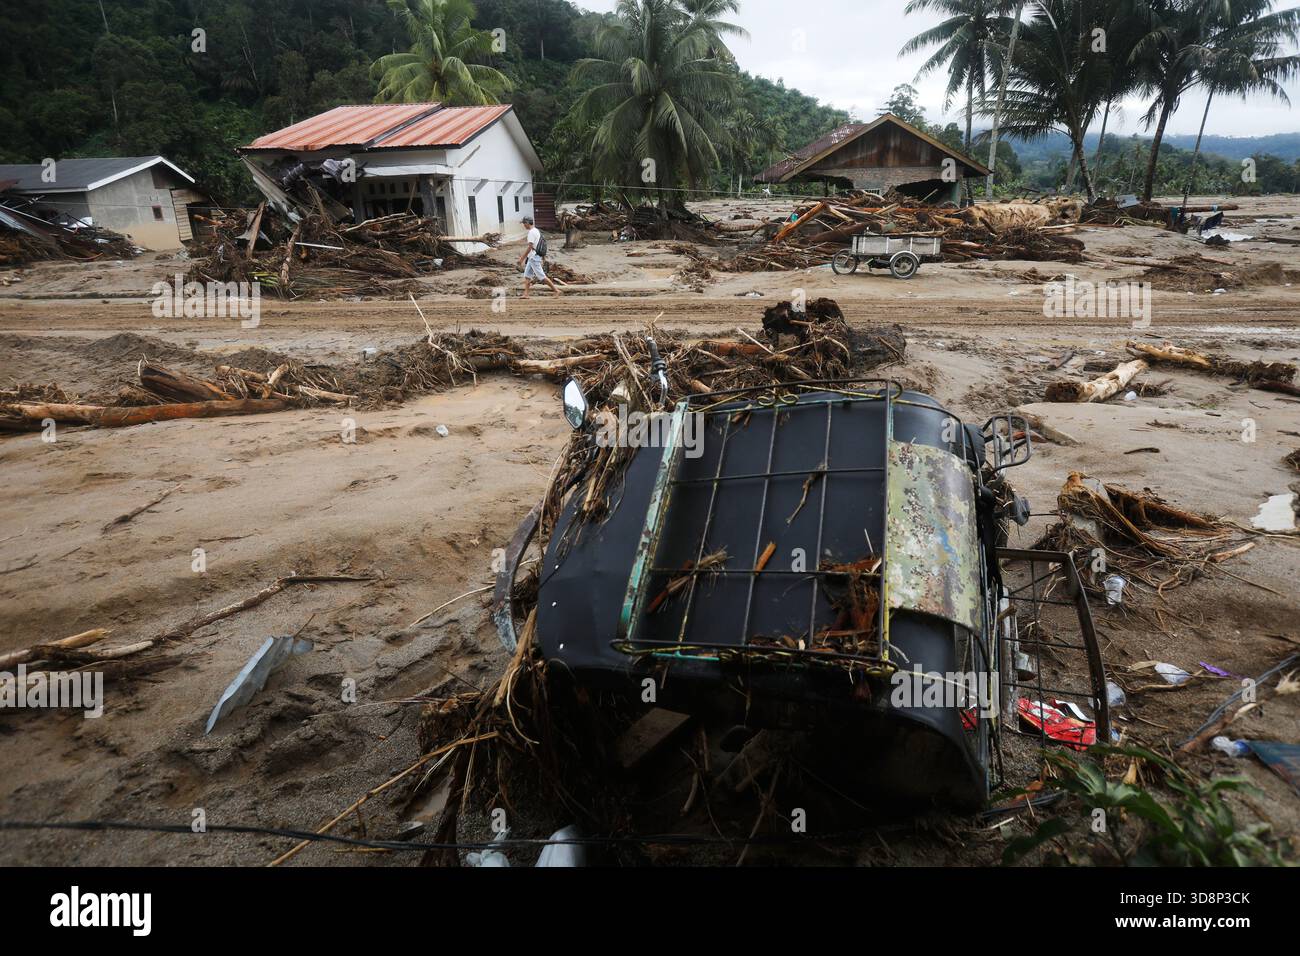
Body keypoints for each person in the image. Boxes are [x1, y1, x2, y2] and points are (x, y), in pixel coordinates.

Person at [517, 215, 561, 297]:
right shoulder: (536, 230)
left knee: (542, 276)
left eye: (524, 223)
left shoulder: (531, 233)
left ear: (527, 223)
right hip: (532, 257)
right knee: (527, 275)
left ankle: (556, 290)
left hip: (534, 257)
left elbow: (530, 247)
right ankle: (526, 294)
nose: (523, 225)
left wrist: (521, 259)